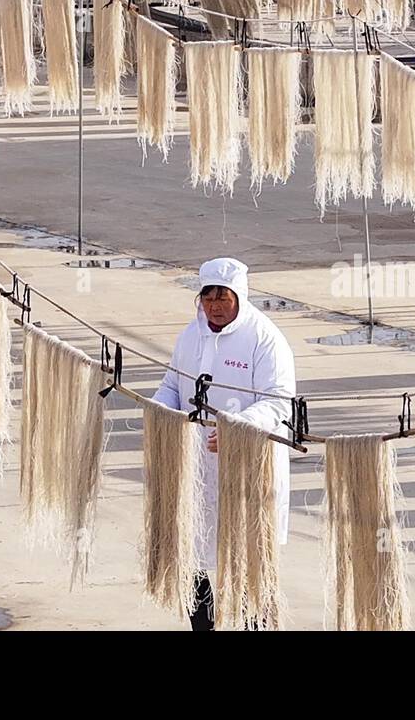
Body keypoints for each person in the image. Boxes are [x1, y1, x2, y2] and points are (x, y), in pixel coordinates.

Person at [152, 257, 296, 631]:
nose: (214, 304)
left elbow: (279, 400)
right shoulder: (190, 336)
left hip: (248, 470)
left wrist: (238, 427)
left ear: (239, 297)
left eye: (223, 296)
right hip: (199, 469)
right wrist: (159, 410)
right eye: (208, 296)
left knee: (248, 559)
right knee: (197, 555)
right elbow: (171, 386)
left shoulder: (264, 339)